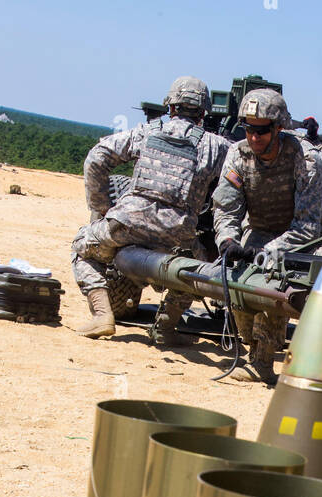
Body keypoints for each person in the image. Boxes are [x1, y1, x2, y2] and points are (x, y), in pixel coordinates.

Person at [71, 77, 229, 340]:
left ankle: (101, 315)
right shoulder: (216, 146)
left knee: (81, 247)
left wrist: (102, 209)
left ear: (171, 107)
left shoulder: (147, 132)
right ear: (203, 112)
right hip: (177, 235)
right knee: (195, 271)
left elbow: (97, 157)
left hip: (127, 225)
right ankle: (165, 328)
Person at [212, 88, 322, 382]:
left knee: (276, 284)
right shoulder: (237, 154)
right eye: (248, 129)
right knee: (238, 283)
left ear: (279, 128)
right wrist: (228, 241)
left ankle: (262, 360)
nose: (253, 138)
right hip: (258, 231)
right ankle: (252, 345)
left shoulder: (307, 159)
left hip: (301, 240)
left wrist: (267, 252)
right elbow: (226, 207)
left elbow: (309, 225)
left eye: (261, 131)